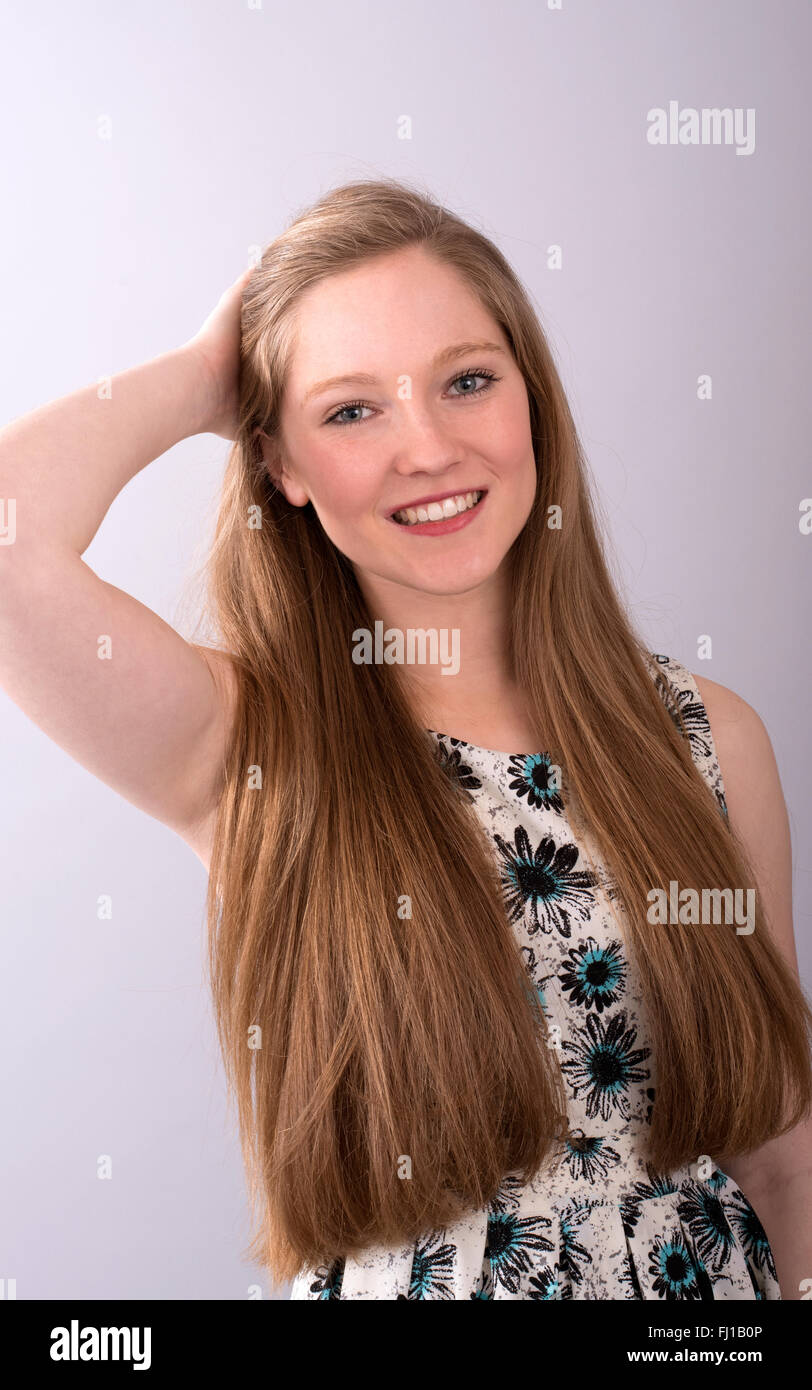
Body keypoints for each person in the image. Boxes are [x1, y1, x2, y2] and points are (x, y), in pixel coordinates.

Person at [1, 178, 810, 1302]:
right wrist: (203, 379)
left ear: (530, 400)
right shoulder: (247, 744)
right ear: (277, 465)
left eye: (466, 381)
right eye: (348, 411)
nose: (426, 448)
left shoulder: (708, 739)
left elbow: (782, 1157)